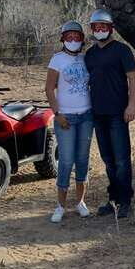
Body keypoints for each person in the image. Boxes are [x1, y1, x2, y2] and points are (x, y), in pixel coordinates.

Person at [85, 9, 135, 218]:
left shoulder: (122, 51)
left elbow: (132, 79)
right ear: (92, 30)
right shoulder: (90, 54)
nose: (100, 30)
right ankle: (113, 200)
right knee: (107, 159)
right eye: (96, 27)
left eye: (104, 27)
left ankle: (126, 201)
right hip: (98, 114)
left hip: (118, 113)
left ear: (111, 29)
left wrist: (131, 105)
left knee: (122, 159)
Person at [45, 20, 94, 223]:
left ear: (82, 40)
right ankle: (60, 206)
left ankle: (80, 202)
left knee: (83, 159)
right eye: (69, 37)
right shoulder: (57, 60)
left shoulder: (86, 59)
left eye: (77, 37)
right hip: (65, 116)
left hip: (86, 116)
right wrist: (58, 113)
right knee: (66, 160)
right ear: (63, 39)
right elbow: (49, 88)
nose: (73, 40)